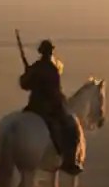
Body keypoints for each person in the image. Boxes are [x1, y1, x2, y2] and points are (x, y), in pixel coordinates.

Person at [20, 39, 83, 175]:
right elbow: (55, 90)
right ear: (50, 53)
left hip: (33, 106)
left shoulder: (36, 67)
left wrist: (27, 74)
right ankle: (69, 162)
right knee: (70, 127)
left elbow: (24, 85)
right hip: (48, 107)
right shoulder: (52, 69)